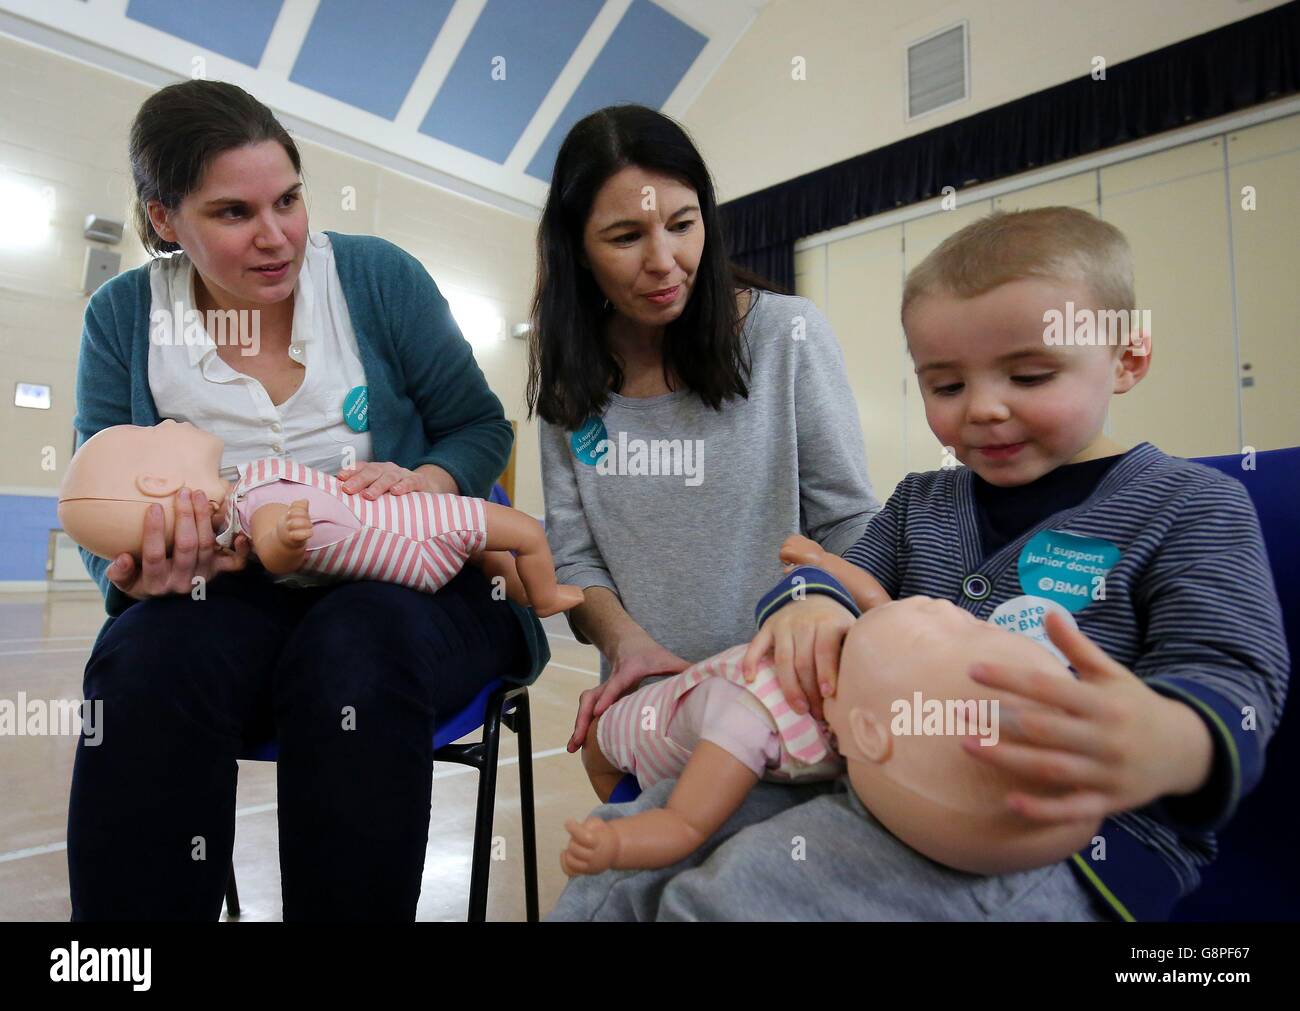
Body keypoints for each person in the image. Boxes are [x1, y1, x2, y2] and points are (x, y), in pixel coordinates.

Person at [550, 206, 1289, 921]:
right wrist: (812, 602)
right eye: (947, 384)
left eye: (1029, 376)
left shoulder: (1193, 507)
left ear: (1127, 357)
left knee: (742, 895)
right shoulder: (921, 501)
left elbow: (1235, 682)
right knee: (640, 850)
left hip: (1062, 841)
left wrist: (1165, 739)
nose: (984, 409)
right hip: (869, 777)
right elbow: (836, 574)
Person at [66, 79, 547, 921]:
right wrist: (135, 573)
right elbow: (91, 488)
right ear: (163, 220)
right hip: (237, 597)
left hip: (405, 585)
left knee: (350, 651)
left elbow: (477, 425)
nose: (276, 236)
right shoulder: (123, 316)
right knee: (143, 661)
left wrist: (425, 481)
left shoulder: (376, 277)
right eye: (233, 213)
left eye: (289, 199)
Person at [527, 104, 881, 765]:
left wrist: (819, 611)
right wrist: (626, 645)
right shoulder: (574, 386)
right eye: (626, 237)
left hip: (790, 698)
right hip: (654, 705)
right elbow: (574, 560)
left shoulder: (786, 336)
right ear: (577, 247)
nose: (665, 261)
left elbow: (849, 518)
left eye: (683, 225)